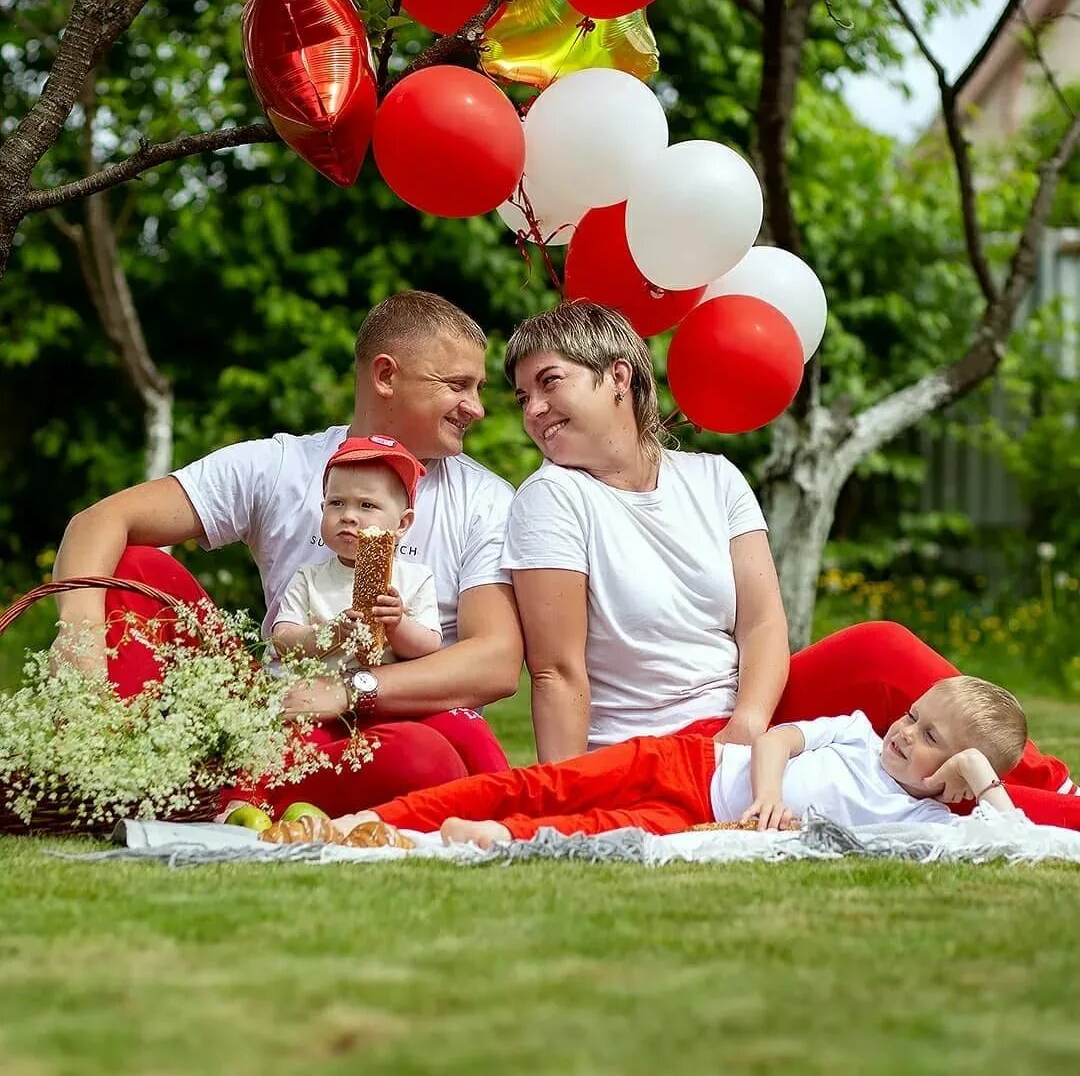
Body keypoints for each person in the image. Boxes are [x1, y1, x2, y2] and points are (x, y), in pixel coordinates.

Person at [501, 301, 1080, 831]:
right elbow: (557, 670)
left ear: (619, 377)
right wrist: (567, 791)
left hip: (750, 717)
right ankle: (1061, 817)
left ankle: (1052, 784)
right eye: (523, 397)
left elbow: (762, 624)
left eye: (549, 382)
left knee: (882, 654)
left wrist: (750, 722)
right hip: (663, 744)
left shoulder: (714, 478)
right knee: (916, 785)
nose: (535, 410)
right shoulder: (552, 496)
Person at [50, 291, 523, 815]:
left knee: (423, 760)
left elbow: (496, 663)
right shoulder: (280, 465)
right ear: (386, 376)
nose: (476, 407)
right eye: (457, 385)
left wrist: (350, 690)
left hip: (404, 717)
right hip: (282, 710)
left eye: (477, 388)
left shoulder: (486, 499)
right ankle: (113, 769)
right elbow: (98, 521)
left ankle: (207, 793)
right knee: (133, 568)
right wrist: (81, 643)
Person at [333, 676, 1027, 846]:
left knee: (602, 830)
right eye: (913, 715)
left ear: (960, 771)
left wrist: (981, 781)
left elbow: (1020, 842)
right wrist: (768, 796)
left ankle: (490, 839)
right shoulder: (853, 732)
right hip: (692, 766)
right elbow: (775, 740)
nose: (906, 734)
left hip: (694, 818)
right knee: (545, 784)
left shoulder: (925, 820)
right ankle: (380, 817)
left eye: (934, 739)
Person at [271, 435, 442, 671]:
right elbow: (281, 639)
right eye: (336, 503)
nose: (348, 516)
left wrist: (398, 625)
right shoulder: (308, 578)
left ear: (402, 523)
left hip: (389, 695)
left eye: (367, 505)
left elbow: (429, 646)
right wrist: (331, 633)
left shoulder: (416, 579)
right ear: (323, 509)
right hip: (318, 692)